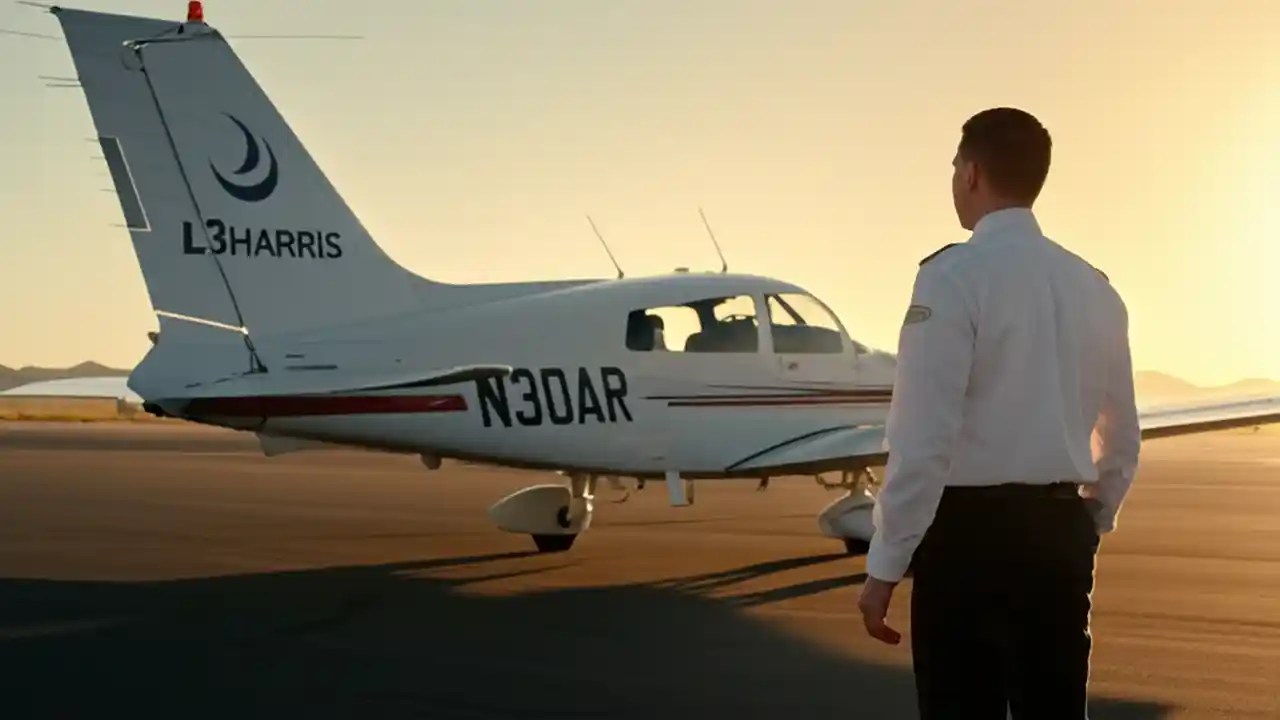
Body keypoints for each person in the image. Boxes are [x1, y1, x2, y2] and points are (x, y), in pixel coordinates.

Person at [856, 107, 1142, 719]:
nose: (955, 177)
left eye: (956, 165)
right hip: (1060, 533)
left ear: (973, 173)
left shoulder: (951, 278)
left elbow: (922, 439)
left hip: (967, 539)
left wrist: (885, 563)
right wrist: (1093, 517)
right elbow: (1120, 435)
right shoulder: (1094, 287)